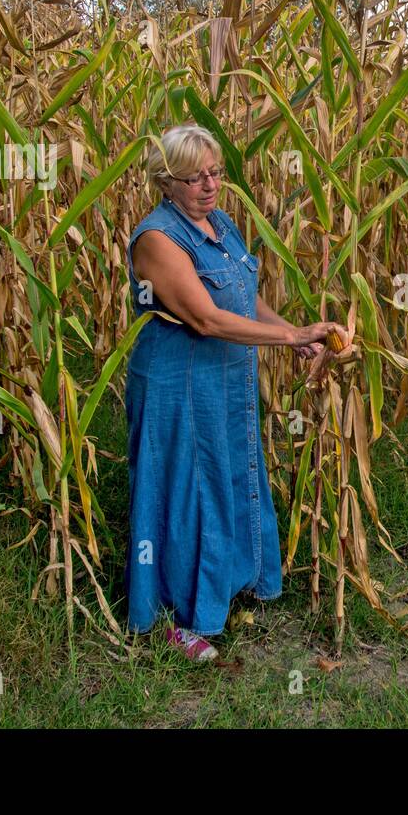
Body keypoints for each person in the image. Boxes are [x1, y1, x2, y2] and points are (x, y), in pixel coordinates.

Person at [123, 124, 346, 661]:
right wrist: (292, 336)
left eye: (215, 172)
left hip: (224, 380)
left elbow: (243, 300)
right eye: (193, 176)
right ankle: (177, 621)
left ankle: (223, 590)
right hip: (178, 384)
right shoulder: (157, 239)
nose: (209, 184)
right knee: (185, 490)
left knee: (227, 474)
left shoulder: (220, 224)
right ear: (165, 181)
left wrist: (292, 336)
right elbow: (204, 318)